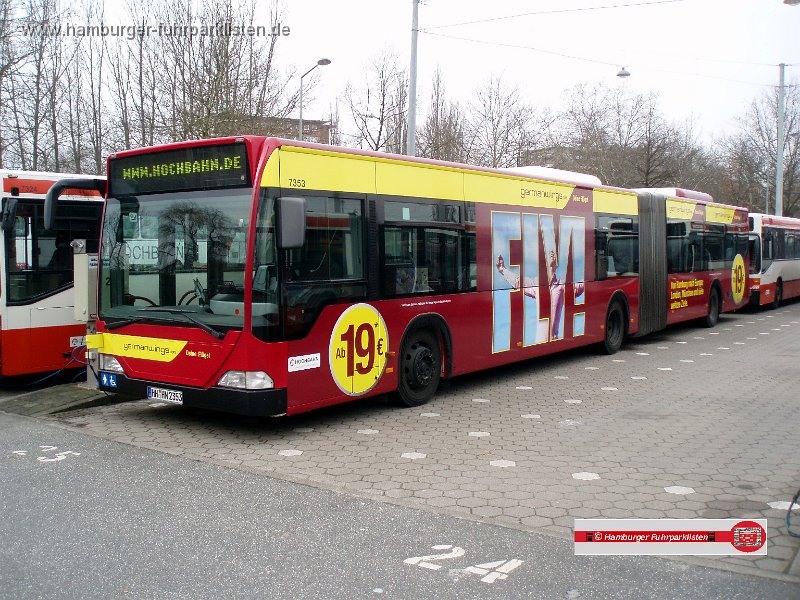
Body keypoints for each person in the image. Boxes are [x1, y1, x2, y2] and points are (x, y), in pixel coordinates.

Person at [496, 250, 584, 340]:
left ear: (556, 265)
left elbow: (581, 286)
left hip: (554, 341)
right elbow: (518, 282)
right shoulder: (536, 285)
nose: (552, 254)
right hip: (539, 341)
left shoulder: (562, 287)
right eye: (549, 255)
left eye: (553, 255)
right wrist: (503, 270)